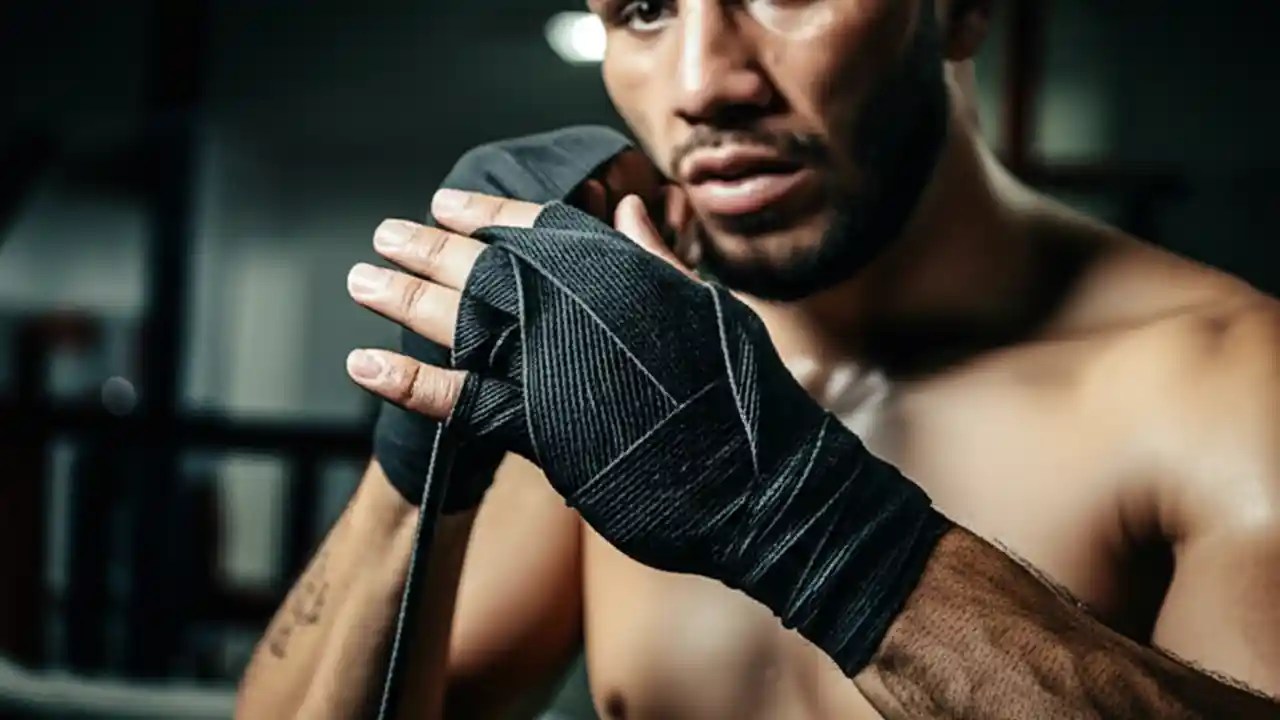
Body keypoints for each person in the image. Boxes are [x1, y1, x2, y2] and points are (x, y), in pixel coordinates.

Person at [236, 1, 1280, 718]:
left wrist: (815, 527)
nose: (703, 85)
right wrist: (423, 457)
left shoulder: (1224, 382)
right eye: (643, 8)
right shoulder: (622, 367)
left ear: (959, 7)